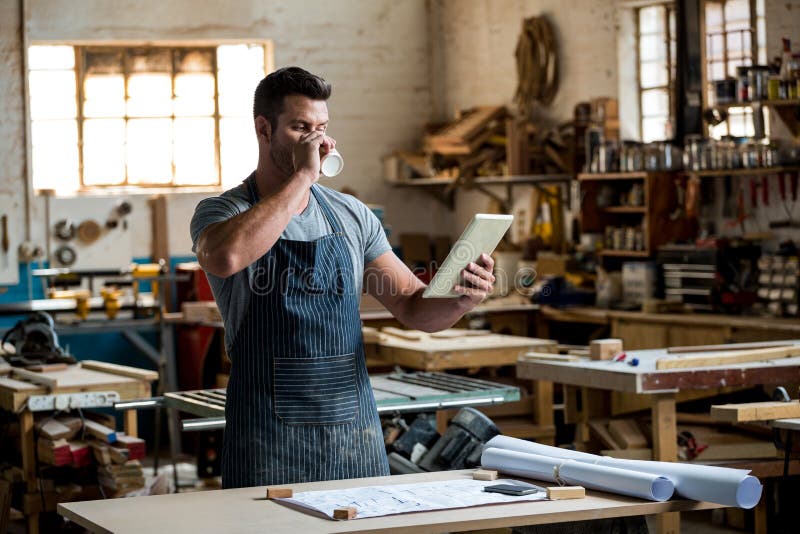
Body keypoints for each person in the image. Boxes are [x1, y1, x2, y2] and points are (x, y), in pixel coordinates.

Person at [190, 66, 496, 489]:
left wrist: (461, 298)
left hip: (353, 434)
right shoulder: (225, 211)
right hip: (268, 436)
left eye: (322, 129)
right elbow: (225, 257)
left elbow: (413, 307)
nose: (318, 142)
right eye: (301, 128)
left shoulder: (351, 215)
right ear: (264, 129)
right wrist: (304, 176)